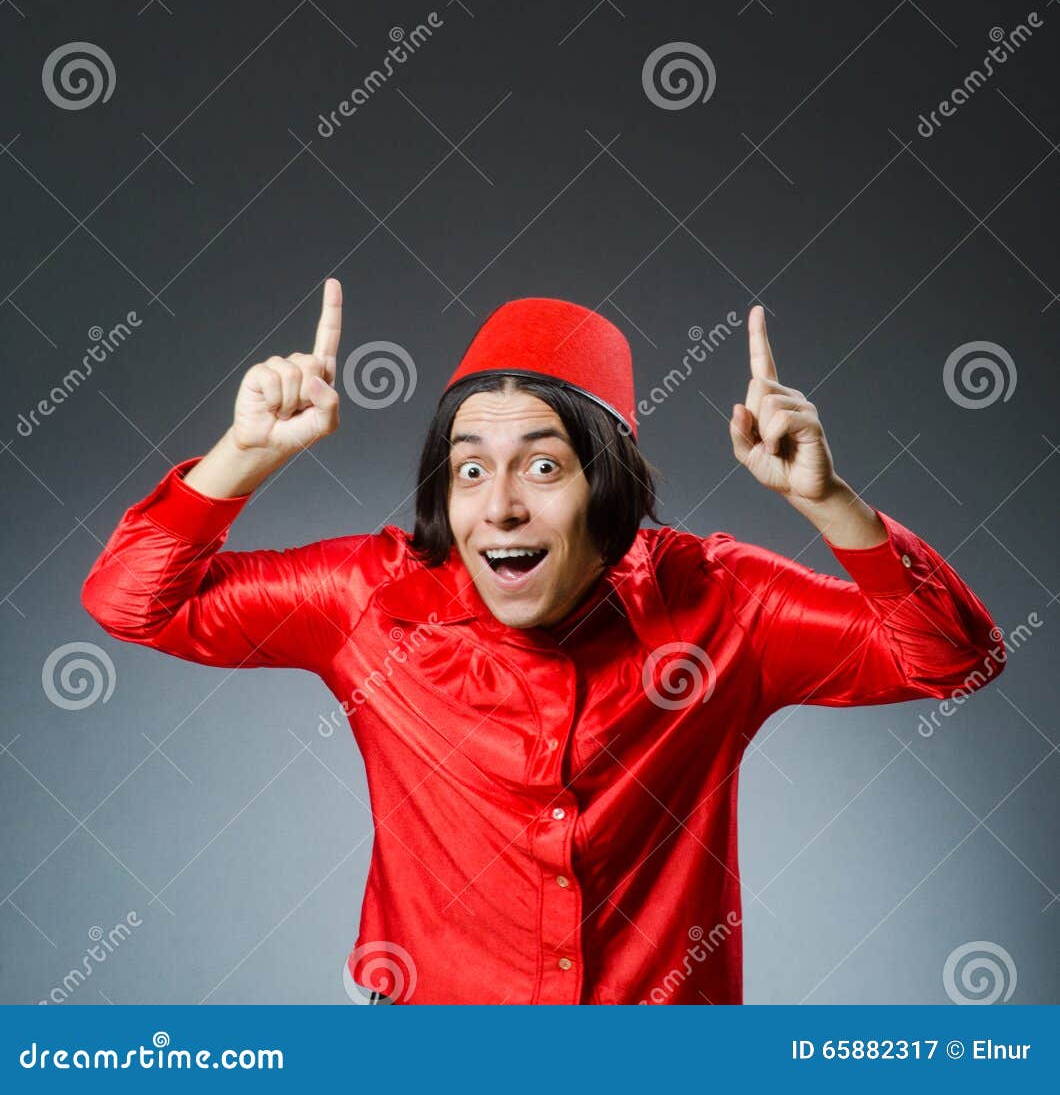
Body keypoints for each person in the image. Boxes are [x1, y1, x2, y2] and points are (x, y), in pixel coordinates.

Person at [81, 281, 1004, 1005]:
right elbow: (131, 602)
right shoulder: (375, 598)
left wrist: (827, 504)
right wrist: (245, 455)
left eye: (545, 465)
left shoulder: (722, 602)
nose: (500, 505)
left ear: (611, 491)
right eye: (470, 468)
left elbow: (957, 658)